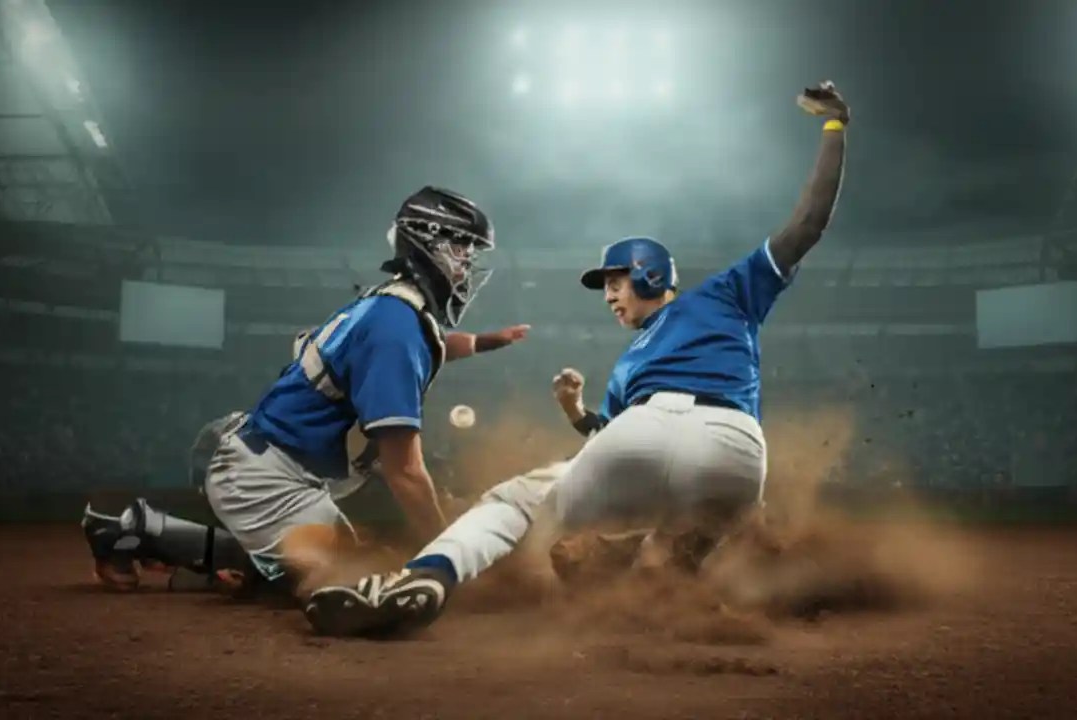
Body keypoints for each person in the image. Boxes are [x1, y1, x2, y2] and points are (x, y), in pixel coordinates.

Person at [303, 82, 851, 637]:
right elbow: (807, 227)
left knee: (517, 501)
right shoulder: (721, 304)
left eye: (615, 282)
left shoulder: (707, 302)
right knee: (671, 559)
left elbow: (634, 445)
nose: (609, 296)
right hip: (736, 455)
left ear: (650, 274)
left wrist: (833, 127)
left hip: (646, 432)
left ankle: (425, 577)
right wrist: (576, 411)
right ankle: (677, 598)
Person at [81, 187, 529, 592]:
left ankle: (229, 558)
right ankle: (135, 528)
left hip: (276, 464)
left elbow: (431, 348)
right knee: (348, 580)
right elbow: (405, 472)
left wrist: (486, 341)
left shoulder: (393, 309)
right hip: (268, 478)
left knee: (339, 558)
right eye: (461, 248)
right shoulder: (396, 329)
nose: (467, 264)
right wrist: (453, 557)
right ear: (426, 243)